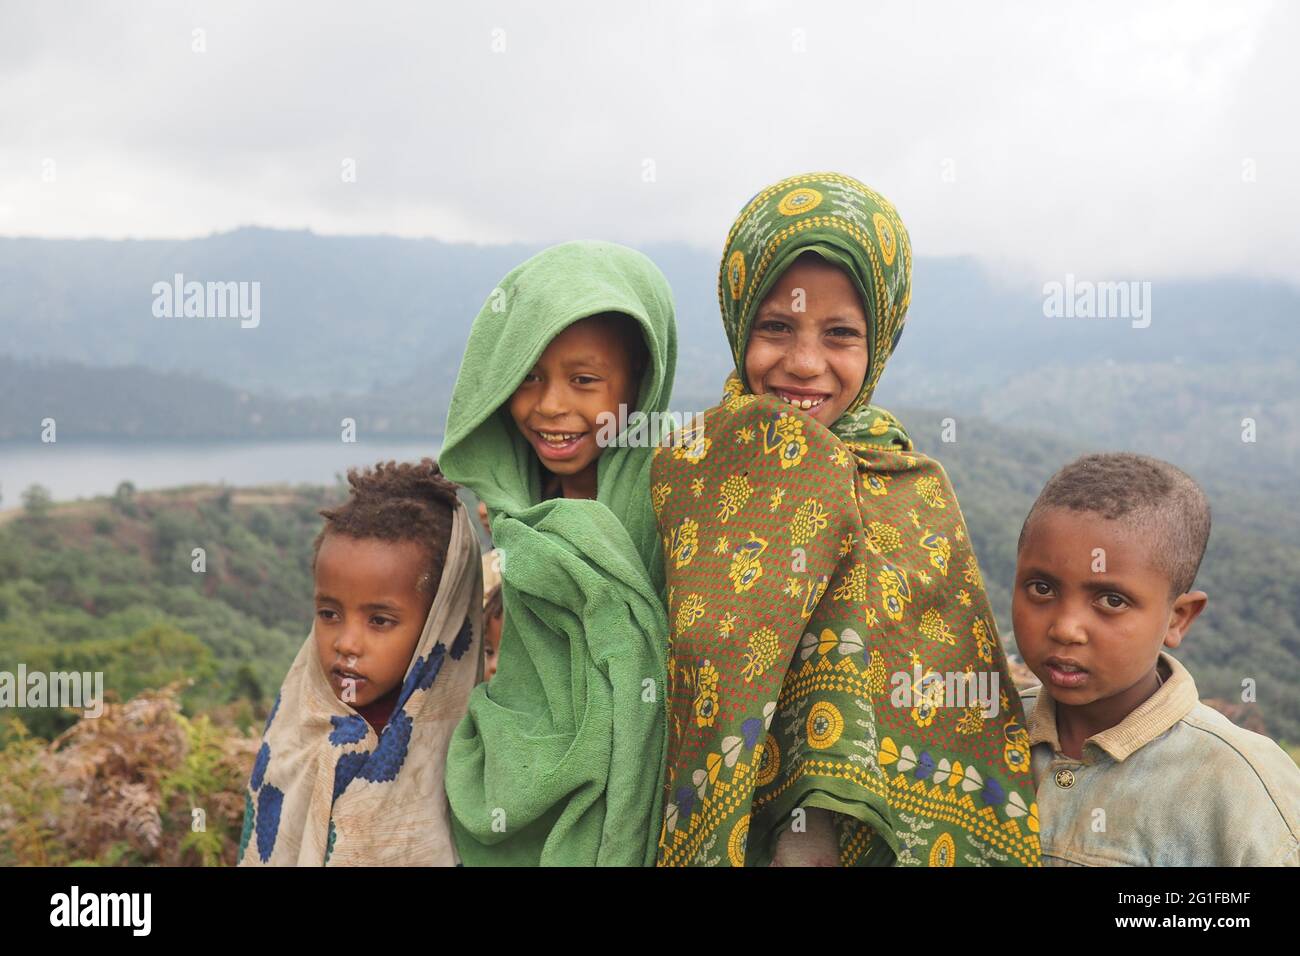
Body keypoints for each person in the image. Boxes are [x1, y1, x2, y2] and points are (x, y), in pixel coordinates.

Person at [652, 172, 1040, 867]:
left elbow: (949, 689)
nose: (804, 363)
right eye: (775, 327)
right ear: (739, 318)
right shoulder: (689, 475)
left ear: (880, 338)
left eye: (840, 334)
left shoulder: (912, 491)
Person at [440, 240, 676, 865]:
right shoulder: (514, 513)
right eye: (527, 377)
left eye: (585, 380)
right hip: (517, 790)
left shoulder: (675, 498)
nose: (550, 406)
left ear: (640, 383)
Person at [1013, 452, 1300, 865]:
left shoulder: (1239, 788)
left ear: (1177, 618)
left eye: (1111, 600)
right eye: (1042, 588)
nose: (1065, 628)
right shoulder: (980, 734)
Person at [237, 459, 482, 866]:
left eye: (380, 621)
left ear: (439, 624)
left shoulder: (471, 755)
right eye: (329, 614)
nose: (346, 644)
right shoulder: (296, 735)